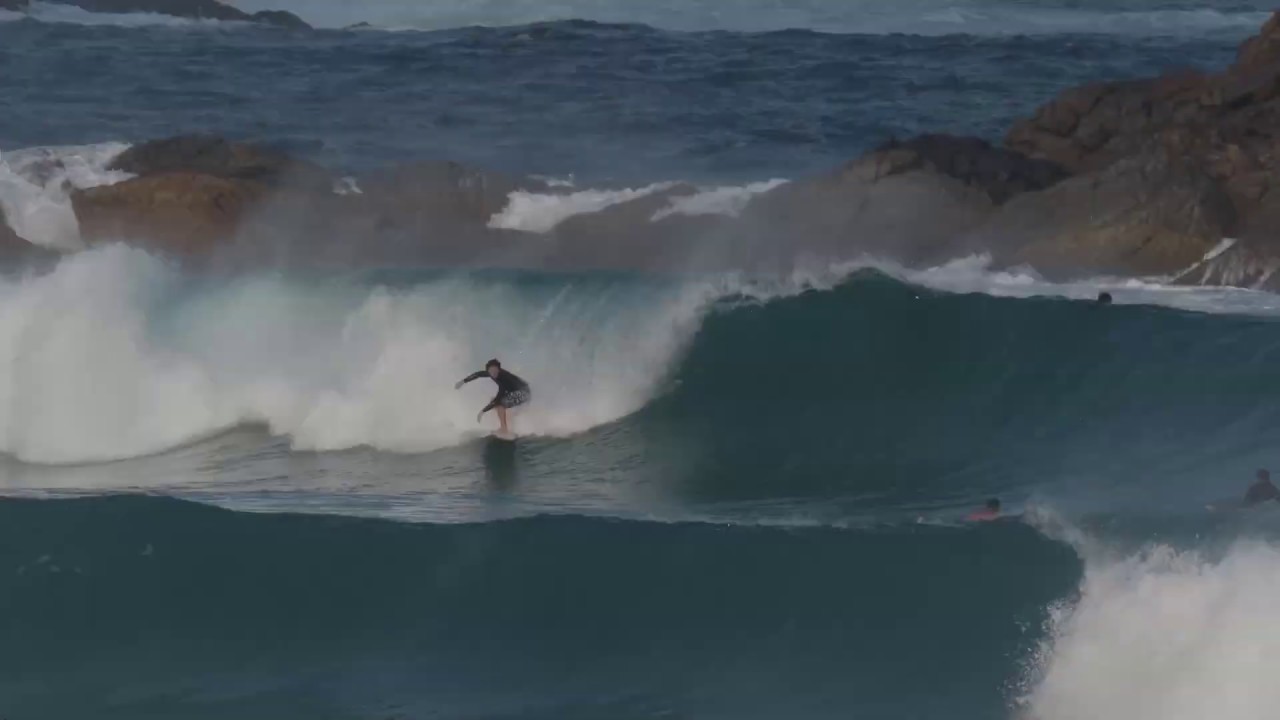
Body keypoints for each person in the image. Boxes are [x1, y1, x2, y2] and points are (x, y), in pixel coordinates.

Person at [455, 359, 531, 435]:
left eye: (495, 370)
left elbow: (499, 397)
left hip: (524, 392)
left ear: (499, 369)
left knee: (499, 403)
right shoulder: (491, 373)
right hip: (517, 392)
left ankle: (504, 429)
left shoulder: (503, 377)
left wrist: (483, 411)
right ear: (488, 371)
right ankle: (505, 422)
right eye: (491, 371)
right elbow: (477, 374)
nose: (493, 373)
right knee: (495, 402)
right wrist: (463, 382)